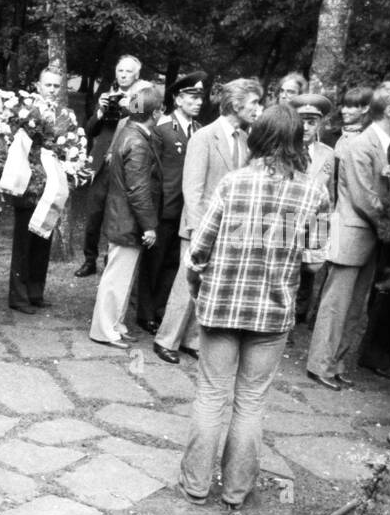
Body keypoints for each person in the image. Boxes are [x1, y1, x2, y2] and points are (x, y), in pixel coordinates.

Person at [179, 105, 331, 508]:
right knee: (251, 401)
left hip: (222, 304)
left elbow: (199, 248)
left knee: (212, 395)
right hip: (273, 310)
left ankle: (195, 486)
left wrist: (196, 282)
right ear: (298, 141)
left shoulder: (233, 183)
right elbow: (316, 261)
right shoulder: (314, 191)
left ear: (257, 137)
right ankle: (236, 491)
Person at [305, 81, 390, 391]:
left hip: (370, 236)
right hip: (353, 232)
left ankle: (337, 363)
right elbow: (363, 196)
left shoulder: (389, 145)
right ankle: (319, 364)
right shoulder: (361, 145)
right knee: (335, 303)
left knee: (355, 306)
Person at [153, 78, 264, 364]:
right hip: (200, 226)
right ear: (237, 104)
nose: (258, 108)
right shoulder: (204, 137)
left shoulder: (244, 138)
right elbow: (192, 189)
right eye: (254, 103)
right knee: (185, 285)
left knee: (208, 287)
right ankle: (166, 340)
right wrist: (199, 231)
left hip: (231, 229)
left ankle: (191, 340)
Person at [89, 83, 164, 348]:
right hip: (127, 220)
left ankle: (116, 325)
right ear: (156, 113)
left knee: (123, 276)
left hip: (121, 217)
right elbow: (138, 190)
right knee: (116, 279)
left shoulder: (129, 131)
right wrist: (149, 226)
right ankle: (104, 330)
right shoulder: (139, 142)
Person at [136, 72, 206, 333]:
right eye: (191, 97)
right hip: (164, 207)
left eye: (200, 97)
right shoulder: (163, 130)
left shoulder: (200, 131)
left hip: (186, 211)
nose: (198, 102)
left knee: (172, 264)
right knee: (153, 264)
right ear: (177, 99)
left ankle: (158, 309)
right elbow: (152, 173)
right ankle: (144, 314)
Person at [6, 68, 77, 312]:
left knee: (42, 240)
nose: (52, 90)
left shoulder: (66, 115)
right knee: (24, 244)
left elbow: (70, 146)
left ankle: (36, 291)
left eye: (57, 86)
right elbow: (17, 145)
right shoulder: (26, 110)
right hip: (29, 185)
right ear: (38, 85)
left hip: (52, 186)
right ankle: (18, 296)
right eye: (48, 85)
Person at [77, 55, 143, 278]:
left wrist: (129, 106)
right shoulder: (107, 96)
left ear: (136, 75)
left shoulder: (138, 98)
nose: (123, 75)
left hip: (123, 164)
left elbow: (139, 123)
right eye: (120, 71)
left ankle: (109, 259)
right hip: (101, 164)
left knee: (115, 212)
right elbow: (91, 130)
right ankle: (89, 260)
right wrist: (101, 111)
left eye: (128, 72)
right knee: (93, 212)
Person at [290, 93, 337, 326]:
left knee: (308, 272)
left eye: (312, 122)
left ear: (320, 123)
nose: (306, 127)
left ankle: (298, 316)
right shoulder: (285, 149)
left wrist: (328, 230)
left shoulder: (327, 153)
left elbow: (331, 193)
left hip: (314, 222)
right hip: (287, 219)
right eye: (302, 121)